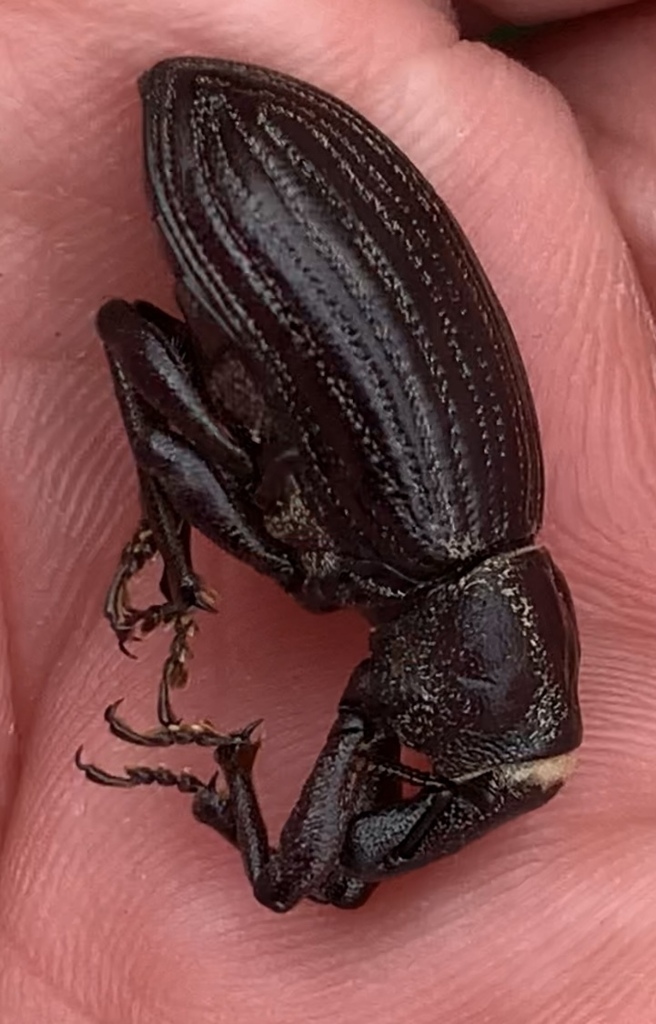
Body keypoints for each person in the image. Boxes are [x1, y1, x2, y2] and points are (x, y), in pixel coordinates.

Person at [1, 1, 654, 1020]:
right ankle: (169, 563)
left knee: (146, 366)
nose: (407, 763)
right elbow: (334, 836)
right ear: (467, 680)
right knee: (133, 354)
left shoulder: (479, 517)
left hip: (272, 179)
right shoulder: (413, 538)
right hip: (254, 188)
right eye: (442, 756)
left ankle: (173, 567)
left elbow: (328, 860)